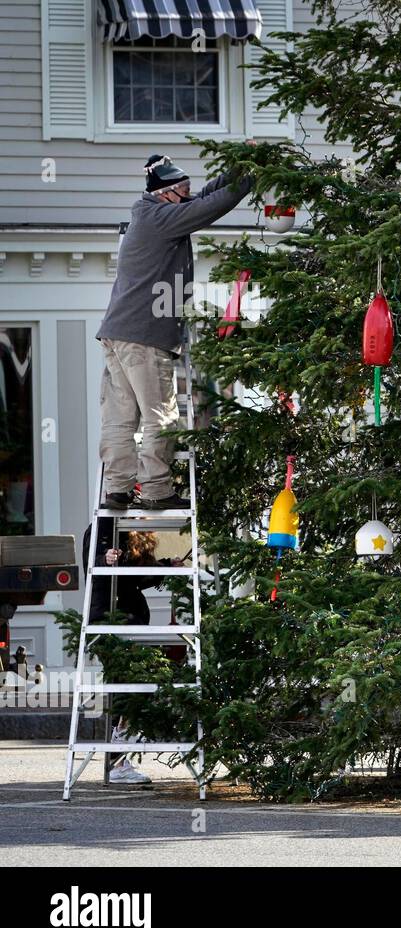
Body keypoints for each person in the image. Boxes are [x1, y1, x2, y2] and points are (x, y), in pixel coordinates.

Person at [97, 154, 253, 511]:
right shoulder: (161, 219)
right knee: (159, 415)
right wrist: (247, 179)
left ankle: (117, 489)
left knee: (121, 417)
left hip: (118, 333)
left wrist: (242, 164)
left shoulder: (155, 212)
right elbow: (210, 206)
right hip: (145, 337)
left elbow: (201, 199)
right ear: (166, 194)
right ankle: (155, 490)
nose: (188, 195)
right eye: (182, 190)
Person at [81, 520, 179, 784]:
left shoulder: (136, 533)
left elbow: (135, 577)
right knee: (130, 685)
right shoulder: (103, 524)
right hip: (108, 618)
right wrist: (106, 557)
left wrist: (168, 566)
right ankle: (118, 761)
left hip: (132, 620)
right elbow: (95, 564)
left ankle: (118, 761)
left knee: (129, 686)